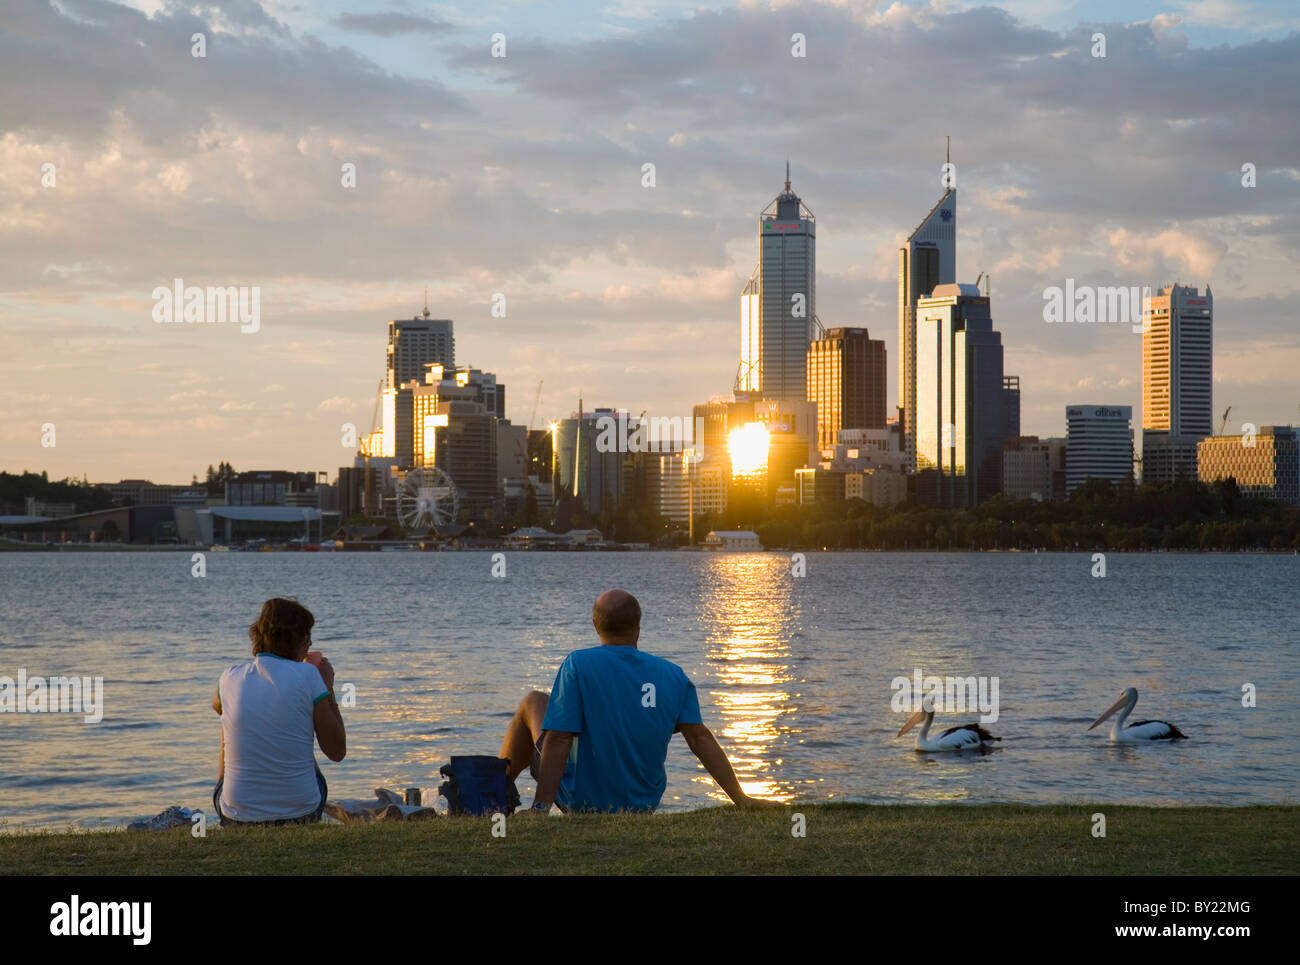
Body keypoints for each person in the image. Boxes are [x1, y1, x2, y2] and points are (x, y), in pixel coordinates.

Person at [501, 588, 766, 814]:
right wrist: (740, 798)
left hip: (582, 800)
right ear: (638, 625)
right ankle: (495, 792)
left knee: (533, 701)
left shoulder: (577, 665)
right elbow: (700, 739)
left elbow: (559, 738)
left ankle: (495, 794)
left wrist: (540, 808)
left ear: (596, 626)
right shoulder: (673, 675)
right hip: (642, 803)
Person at [211, 598, 346, 824]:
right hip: (301, 813)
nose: (310, 643)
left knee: (230, 718)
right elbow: (337, 751)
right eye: (307, 636)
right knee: (293, 720)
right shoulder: (309, 675)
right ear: (298, 639)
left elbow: (217, 705)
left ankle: (238, 798)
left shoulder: (229, 676)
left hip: (236, 816)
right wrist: (326, 688)